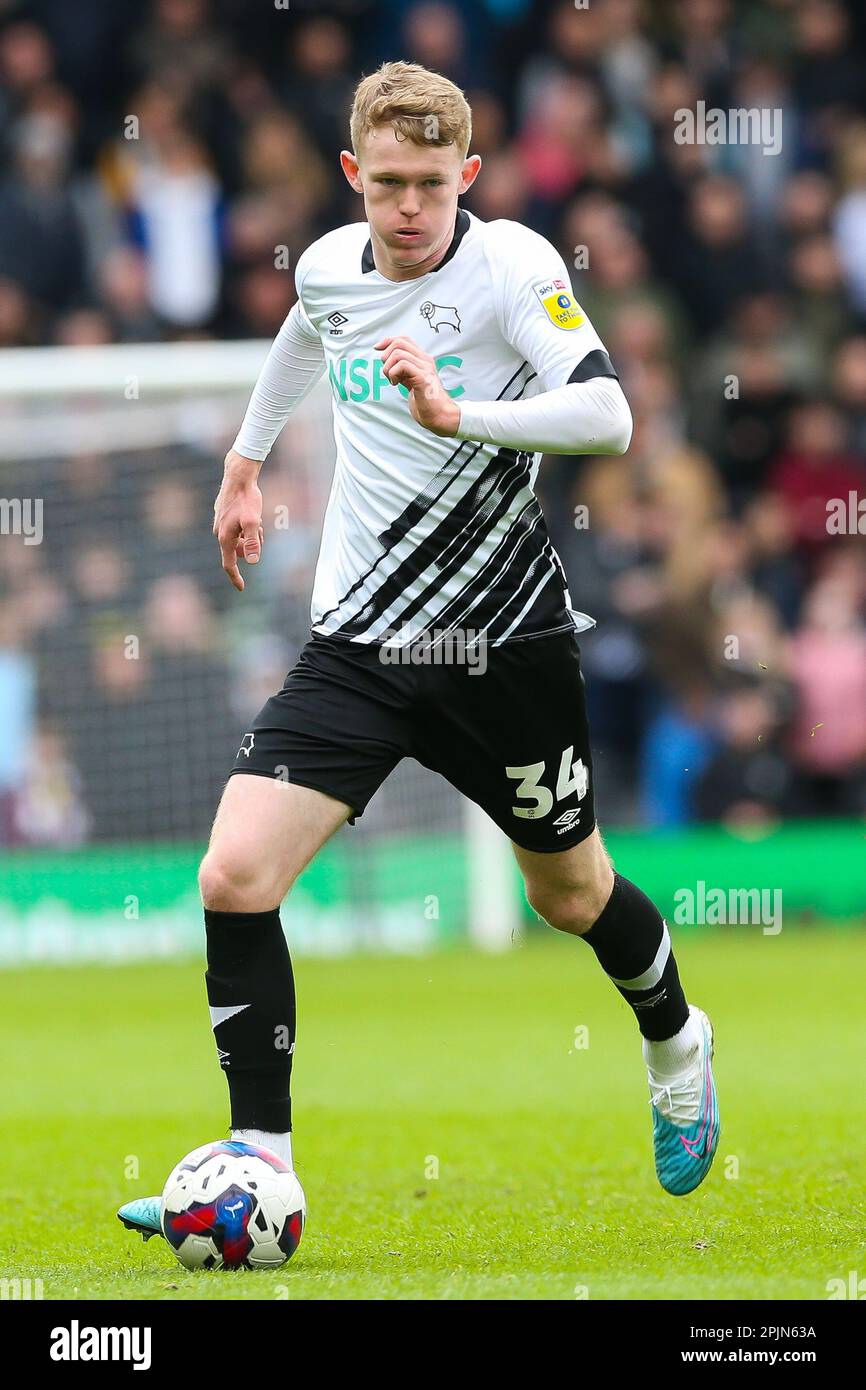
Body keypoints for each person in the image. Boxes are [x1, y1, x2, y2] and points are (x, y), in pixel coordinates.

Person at [119, 61, 719, 1247]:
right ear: (352, 174)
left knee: (571, 893)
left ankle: (676, 1038)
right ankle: (259, 1164)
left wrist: (462, 416)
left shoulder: (513, 271)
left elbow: (606, 414)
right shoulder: (331, 266)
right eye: (385, 183)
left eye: (430, 187)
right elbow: (303, 331)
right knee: (233, 876)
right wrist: (245, 465)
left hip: (503, 647)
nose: (405, 209)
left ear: (469, 178)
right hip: (357, 643)